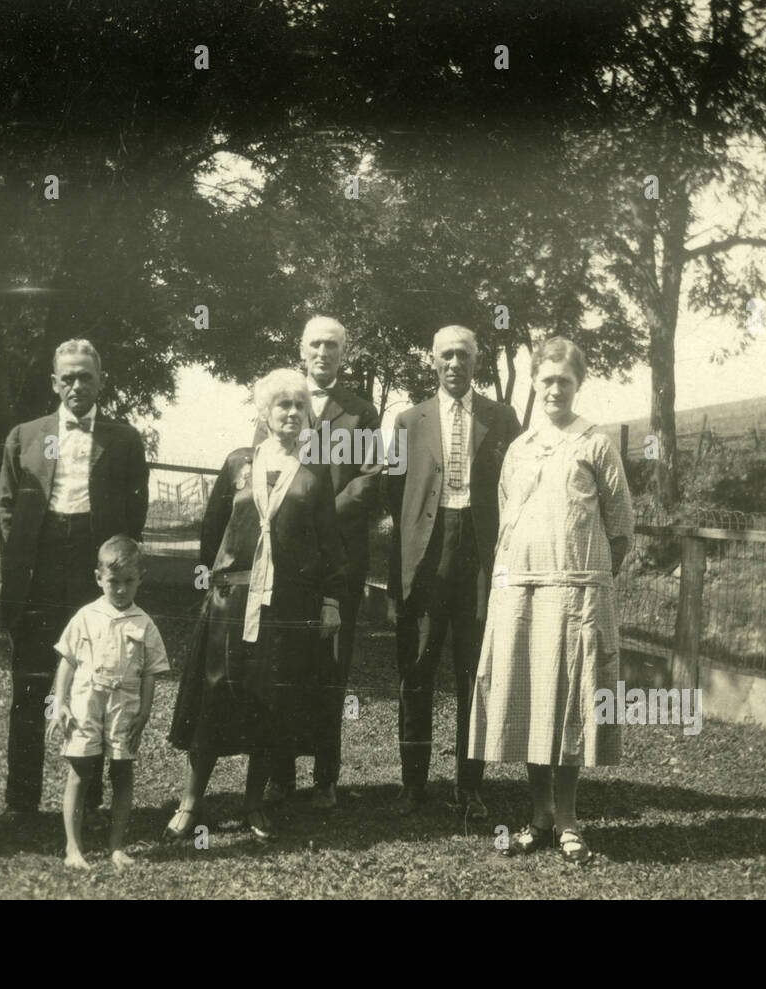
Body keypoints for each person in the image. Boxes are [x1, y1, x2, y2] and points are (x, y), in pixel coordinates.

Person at [468, 336, 634, 862]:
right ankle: (537, 817)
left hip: (575, 595)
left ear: (578, 383)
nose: (555, 388)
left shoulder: (596, 444)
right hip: (522, 594)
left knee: (568, 705)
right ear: (535, 383)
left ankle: (567, 822)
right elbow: (504, 520)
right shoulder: (517, 450)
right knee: (528, 702)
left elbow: (621, 528)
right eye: (547, 379)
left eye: (565, 379)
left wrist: (582, 580)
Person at [166, 369, 345, 841]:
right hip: (232, 600)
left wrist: (327, 601)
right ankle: (190, 801)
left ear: (308, 415)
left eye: (298, 406)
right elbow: (211, 532)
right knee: (215, 696)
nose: (290, 413)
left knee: (271, 702)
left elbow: (329, 545)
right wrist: (215, 582)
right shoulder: (237, 463)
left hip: (287, 605)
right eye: (280, 405)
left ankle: (253, 804)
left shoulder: (314, 473)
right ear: (264, 414)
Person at [0, 339, 150, 820]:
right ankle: (20, 802)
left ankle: (87, 799)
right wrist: (22, 553)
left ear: (101, 380)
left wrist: (111, 566)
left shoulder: (123, 439)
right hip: (40, 569)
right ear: (54, 383)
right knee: (31, 686)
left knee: (97, 681)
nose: (77, 385)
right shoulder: (25, 434)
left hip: (93, 566)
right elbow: (4, 504)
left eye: (86, 376)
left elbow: (135, 509)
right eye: (68, 377)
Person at [386, 325, 522, 819]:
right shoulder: (408, 421)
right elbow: (394, 496)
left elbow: (519, 487)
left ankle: (470, 788)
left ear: (476, 360)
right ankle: (412, 786)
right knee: (416, 672)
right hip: (426, 556)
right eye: (445, 355)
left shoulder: (502, 418)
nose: (454, 364)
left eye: (463, 355)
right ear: (432, 360)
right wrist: (399, 575)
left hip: (481, 559)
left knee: (475, 674)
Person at [253, 316, 381, 810]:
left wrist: (318, 514)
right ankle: (280, 774)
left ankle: (326, 776)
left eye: (332, 345)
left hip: (338, 563)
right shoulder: (280, 403)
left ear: (344, 353)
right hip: (283, 564)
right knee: (281, 664)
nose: (323, 352)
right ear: (302, 351)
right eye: (315, 345)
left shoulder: (361, 413)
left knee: (331, 668)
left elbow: (371, 479)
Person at [46, 536, 169, 869]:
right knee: (79, 772)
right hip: (87, 701)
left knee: (122, 772)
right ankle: (74, 848)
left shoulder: (144, 623)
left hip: (124, 706)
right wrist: (61, 702)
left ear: (140, 578)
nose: (120, 589)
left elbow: (150, 674)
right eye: (113, 581)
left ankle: (116, 846)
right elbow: (67, 661)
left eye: (129, 581)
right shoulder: (85, 616)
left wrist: (144, 711)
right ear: (99, 578)